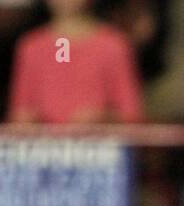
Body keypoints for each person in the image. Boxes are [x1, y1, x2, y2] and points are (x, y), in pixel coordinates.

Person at [8, 0, 143, 124]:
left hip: (98, 146)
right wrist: (28, 121)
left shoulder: (115, 45)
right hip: (44, 146)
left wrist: (102, 118)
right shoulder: (31, 46)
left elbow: (132, 114)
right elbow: (20, 111)